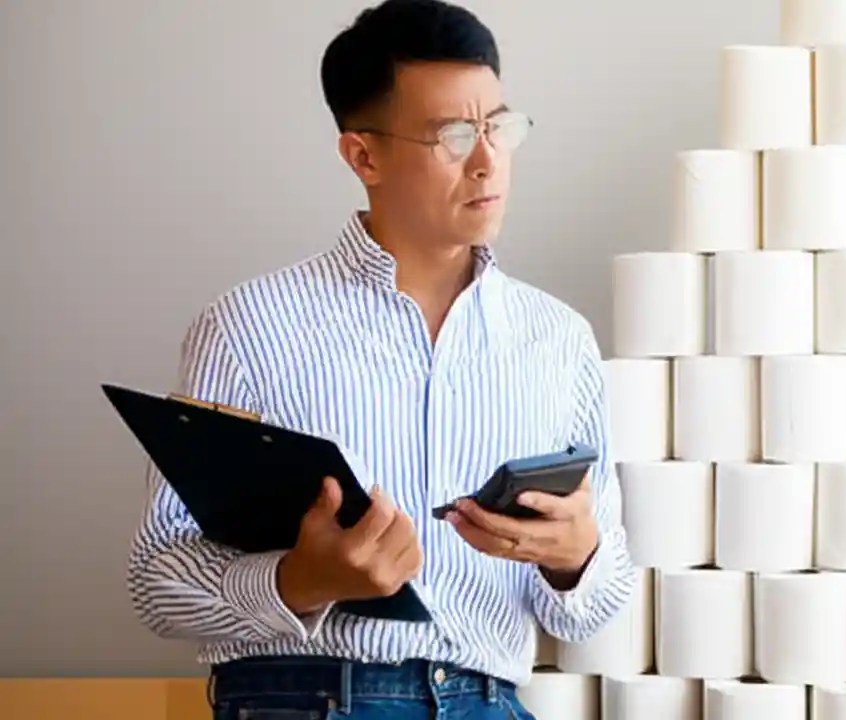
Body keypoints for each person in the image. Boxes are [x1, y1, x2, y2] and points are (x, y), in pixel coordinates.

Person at [125, 1, 637, 717]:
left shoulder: (559, 341)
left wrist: (575, 555)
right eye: (455, 135)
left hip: (491, 702)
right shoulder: (248, 327)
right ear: (364, 154)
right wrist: (299, 581)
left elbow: (591, 611)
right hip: (306, 699)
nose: (489, 159)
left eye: (500, 126)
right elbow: (158, 579)